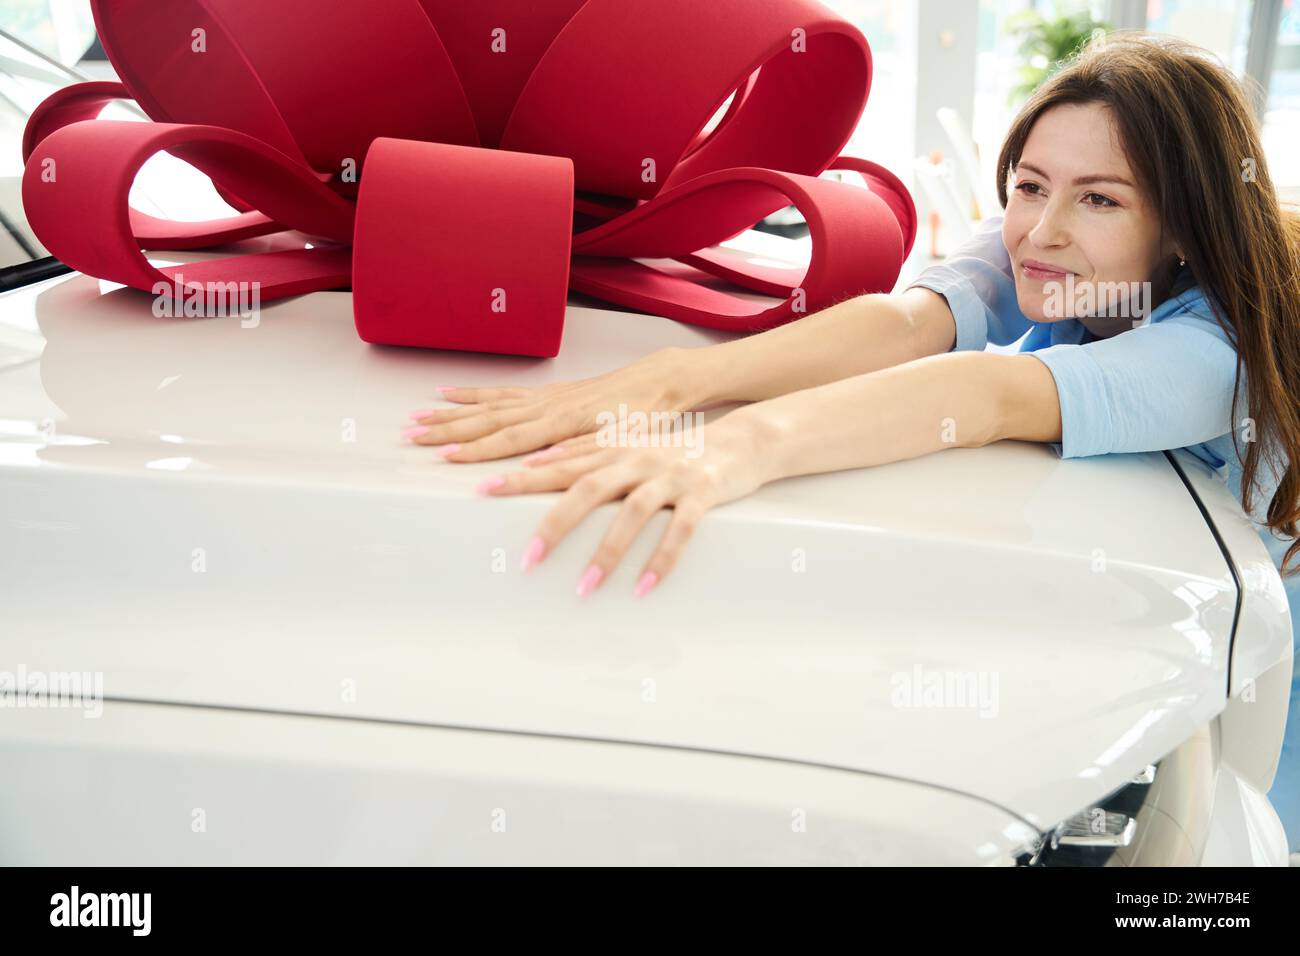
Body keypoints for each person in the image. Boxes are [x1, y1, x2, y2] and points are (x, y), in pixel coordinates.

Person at [400, 34, 1300, 850]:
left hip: (1253, 653)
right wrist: (668, 381)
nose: (1042, 230)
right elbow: (911, 325)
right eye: (1030, 184)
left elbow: (988, 393)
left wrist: (738, 449)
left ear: (1182, 225)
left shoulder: (1212, 353)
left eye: (1099, 198)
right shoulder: (1049, 241)